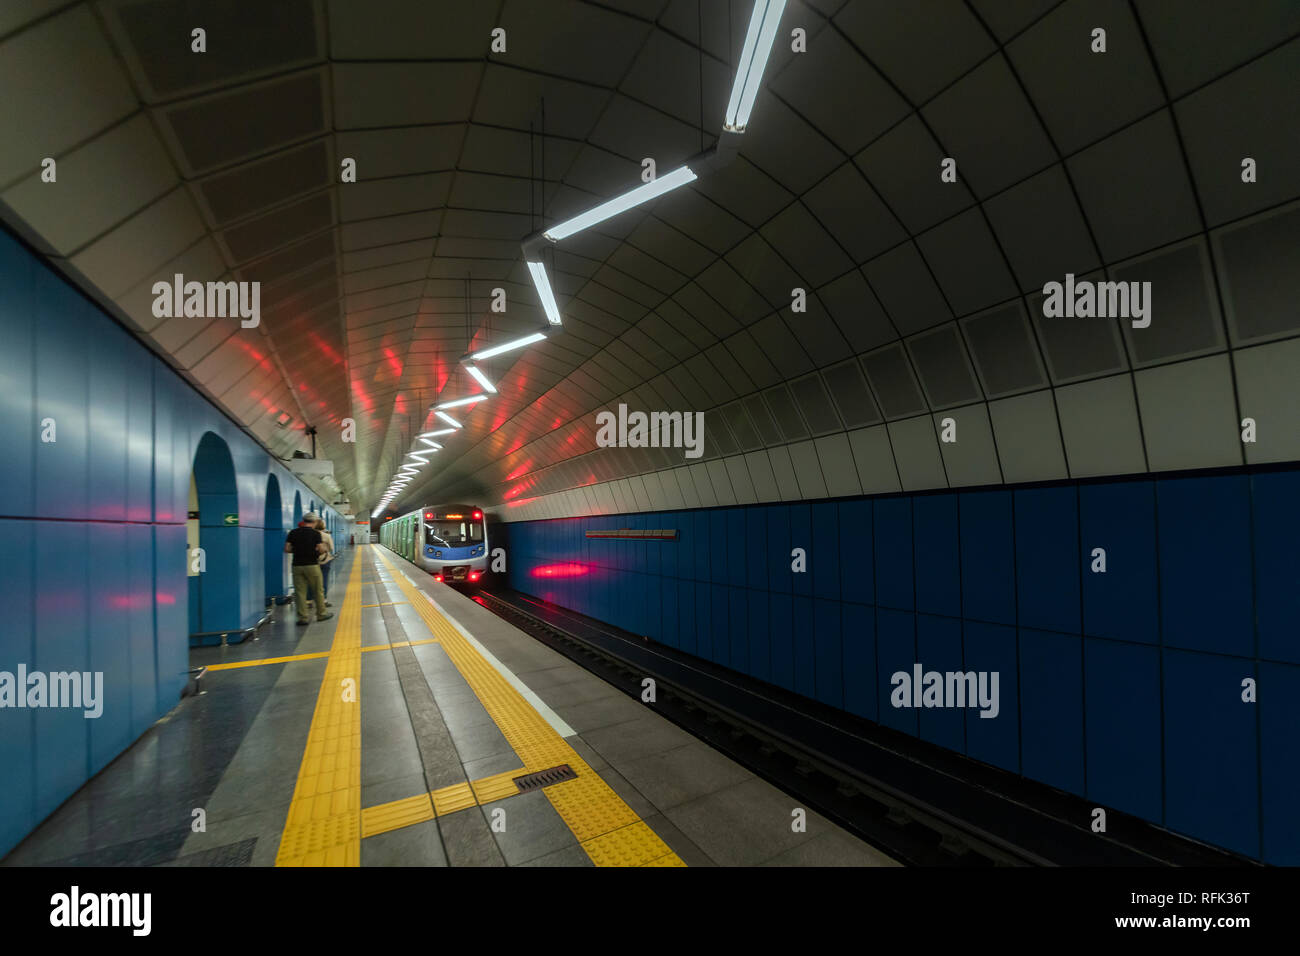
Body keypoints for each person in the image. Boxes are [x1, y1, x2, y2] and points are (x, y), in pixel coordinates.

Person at [284, 512, 332, 625]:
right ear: (314, 522)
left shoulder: (293, 532)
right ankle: (321, 614)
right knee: (318, 590)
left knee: (300, 593)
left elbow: (287, 549)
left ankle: (303, 618)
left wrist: (297, 550)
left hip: (297, 566)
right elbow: (320, 549)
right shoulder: (315, 534)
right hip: (312, 565)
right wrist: (322, 550)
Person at [315, 517, 335, 608]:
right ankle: (324, 600)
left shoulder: (311, 534)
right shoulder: (326, 536)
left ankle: (309, 600)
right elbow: (331, 548)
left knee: (312, 581)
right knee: (324, 580)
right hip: (325, 560)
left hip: (313, 561)